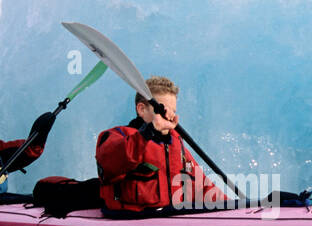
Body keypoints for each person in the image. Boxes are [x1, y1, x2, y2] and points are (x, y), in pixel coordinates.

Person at [94, 76, 228, 213]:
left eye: (173, 111)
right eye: (163, 110)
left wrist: (231, 207)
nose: (170, 116)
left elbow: (201, 186)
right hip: (131, 218)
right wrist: (149, 131)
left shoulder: (176, 143)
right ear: (142, 109)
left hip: (170, 218)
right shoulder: (116, 136)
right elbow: (111, 162)